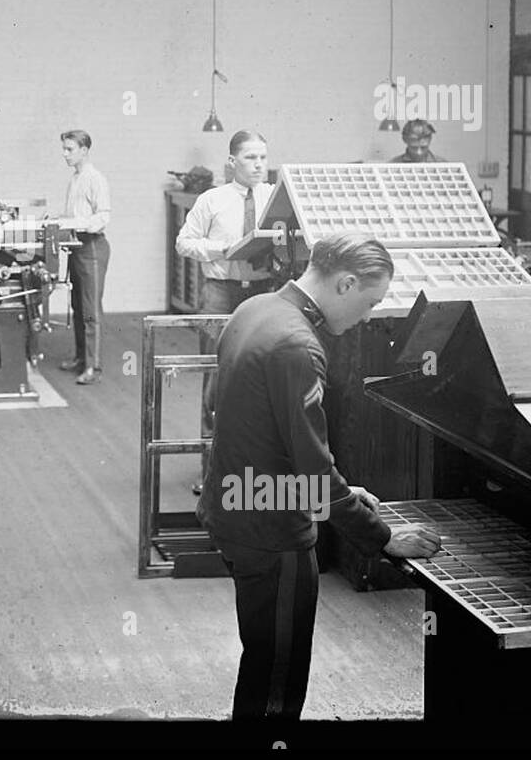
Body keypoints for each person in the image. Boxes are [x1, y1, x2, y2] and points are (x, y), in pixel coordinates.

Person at [197, 232, 442, 720]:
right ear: (346, 283)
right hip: (273, 533)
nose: (369, 317)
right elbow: (312, 464)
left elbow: (232, 420)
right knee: (278, 681)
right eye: (370, 302)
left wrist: (342, 491)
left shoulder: (254, 310)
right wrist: (382, 537)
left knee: (262, 660)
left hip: (235, 504)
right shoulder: (298, 345)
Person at [175, 129, 275, 430]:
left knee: (262, 375)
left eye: (263, 157)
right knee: (216, 375)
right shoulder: (212, 200)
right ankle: (210, 470)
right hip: (220, 293)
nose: (259, 165)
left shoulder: (274, 197)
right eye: (250, 158)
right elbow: (184, 243)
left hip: (263, 293)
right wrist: (223, 250)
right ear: (232, 161)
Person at [54, 129, 111, 385]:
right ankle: (80, 358)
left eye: (69, 149)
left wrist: (75, 223)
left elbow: (102, 217)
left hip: (92, 248)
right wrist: (57, 220)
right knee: (78, 306)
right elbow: (73, 213)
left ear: (84, 150)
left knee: (90, 310)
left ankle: (93, 366)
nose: (65, 154)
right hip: (77, 247)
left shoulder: (95, 179)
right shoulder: (74, 179)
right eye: (64, 149)